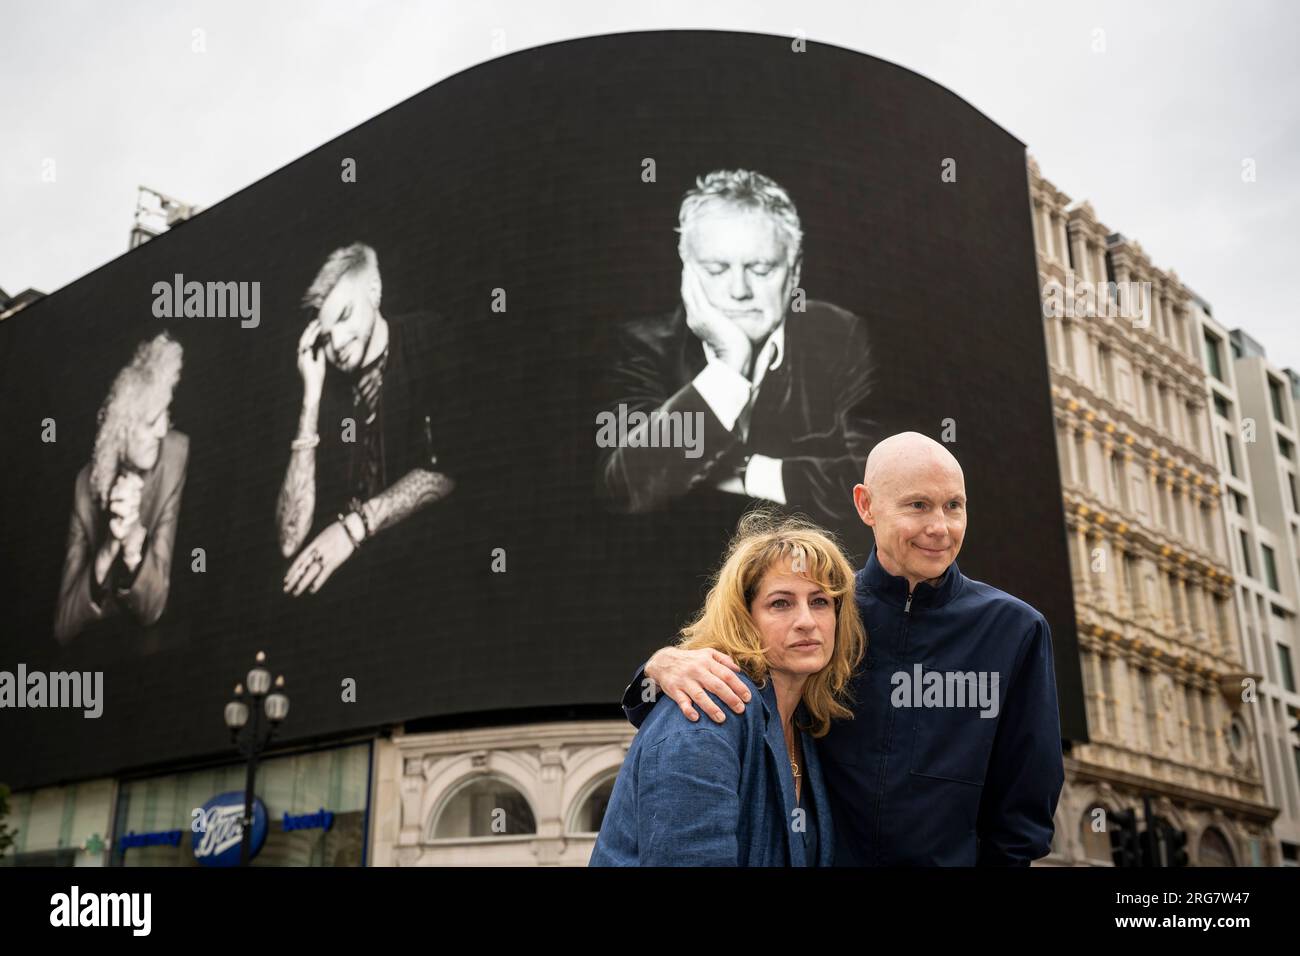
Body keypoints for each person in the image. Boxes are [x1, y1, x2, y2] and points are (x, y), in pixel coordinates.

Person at [621, 432, 1066, 865]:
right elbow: (722, 680)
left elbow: (1024, 809)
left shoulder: (1016, 629)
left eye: (954, 506)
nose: (939, 527)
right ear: (866, 505)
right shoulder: (828, 612)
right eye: (918, 505)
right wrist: (659, 665)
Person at [597, 169, 877, 531]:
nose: (739, 290)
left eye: (760, 269)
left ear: (794, 273)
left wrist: (747, 471)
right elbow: (626, 487)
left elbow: (878, 487)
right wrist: (730, 365)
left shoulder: (841, 337)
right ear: (688, 272)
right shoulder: (639, 346)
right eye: (716, 269)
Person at [591, 510, 865, 866]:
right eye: (780, 603)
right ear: (744, 617)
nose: (806, 622)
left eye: (820, 601)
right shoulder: (707, 712)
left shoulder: (804, 724)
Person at [277, 242, 456, 596]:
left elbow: (451, 468)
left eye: (344, 316)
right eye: (325, 337)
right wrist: (310, 399)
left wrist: (354, 527)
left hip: (424, 587)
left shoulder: (429, 338)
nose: (338, 343)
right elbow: (288, 539)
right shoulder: (323, 385)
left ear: (374, 292)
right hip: (347, 602)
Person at [55, 332, 188, 643]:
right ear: (121, 429)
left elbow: (153, 607)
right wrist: (109, 548)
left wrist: (131, 547)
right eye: (151, 420)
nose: (162, 430)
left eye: (166, 412)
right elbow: (63, 626)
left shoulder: (176, 456)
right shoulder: (84, 487)